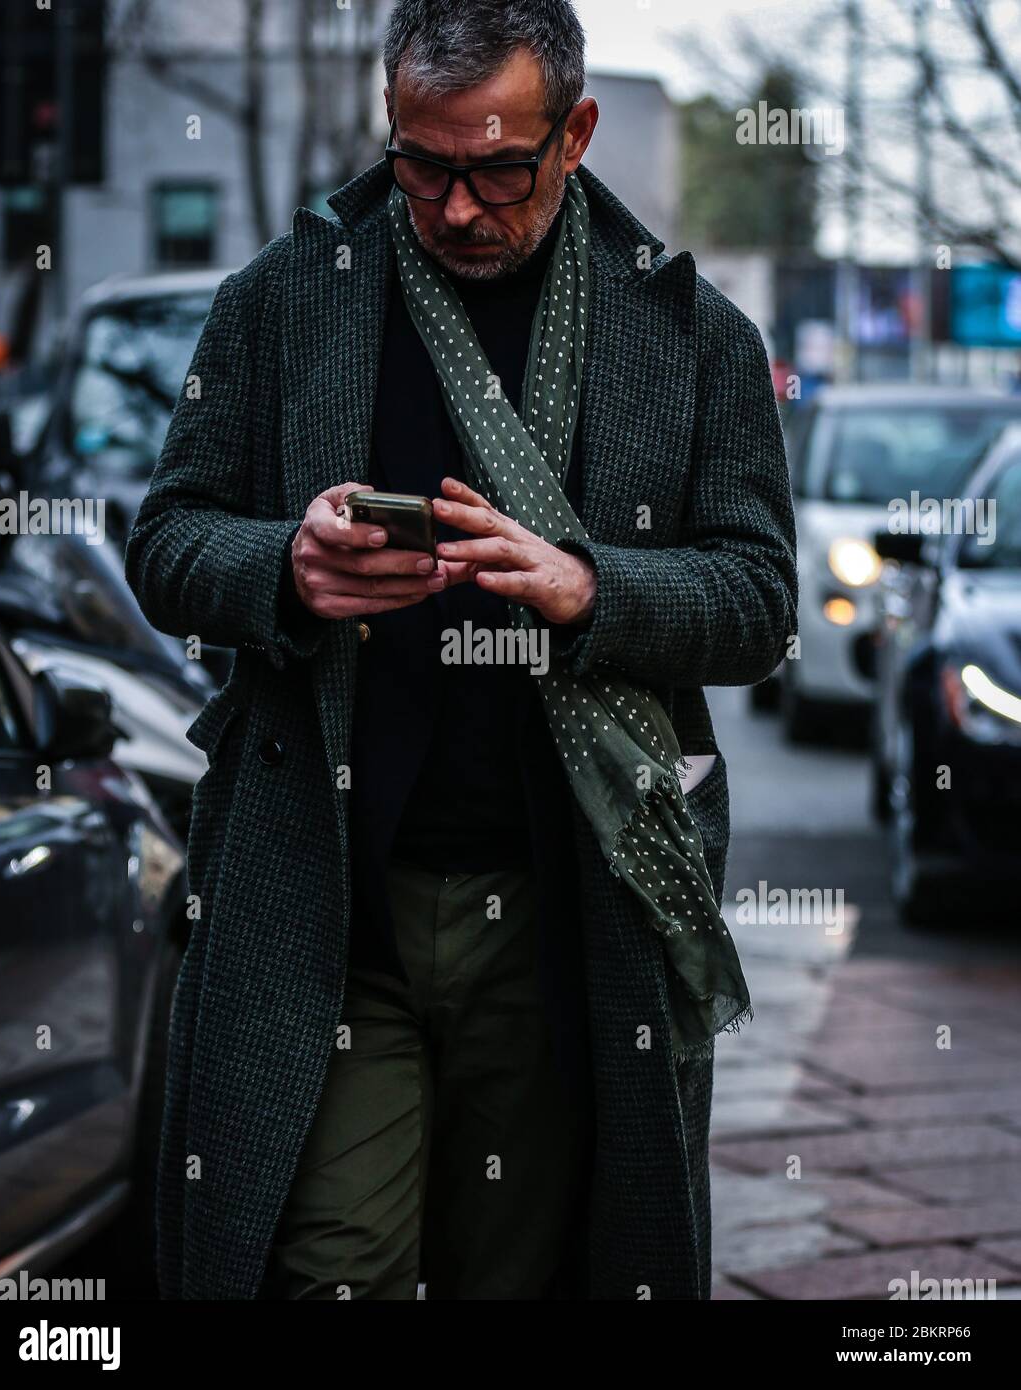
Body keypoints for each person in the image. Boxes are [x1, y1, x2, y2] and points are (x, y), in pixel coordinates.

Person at [125, 0, 797, 1301]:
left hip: (568, 904)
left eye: (498, 167)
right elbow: (167, 542)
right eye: (419, 164)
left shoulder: (694, 333)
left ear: (577, 132)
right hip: (331, 899)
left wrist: (591, 585)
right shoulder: (277, 299)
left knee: (528, 1268)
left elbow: (760, 599)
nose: (454, 206)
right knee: (328, 1264)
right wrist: (287, 566)